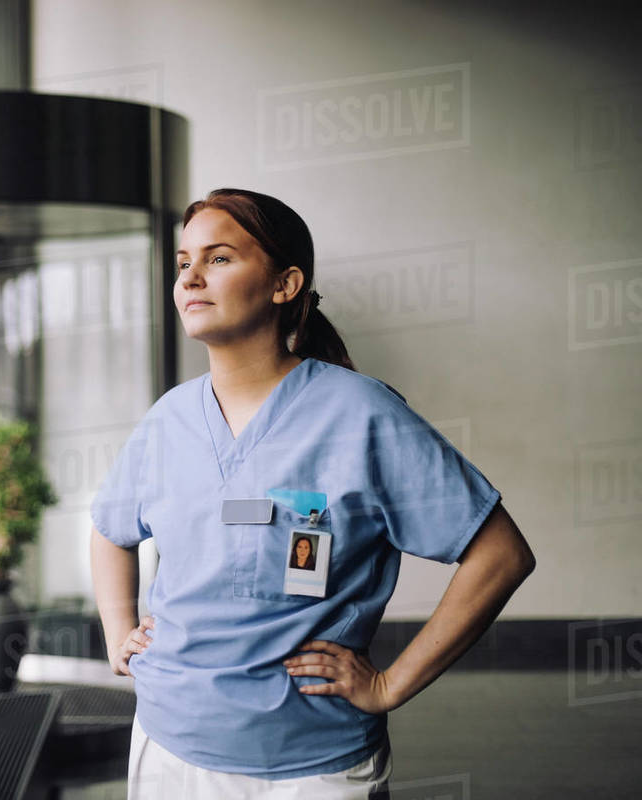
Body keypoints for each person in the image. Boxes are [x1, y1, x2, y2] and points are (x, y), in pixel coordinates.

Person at [88, 188, 536, 799]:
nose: (191, 276)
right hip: (169, 746)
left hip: (312, 765)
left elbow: (501, 555)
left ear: (285, 283)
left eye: (218, 258)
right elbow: (110, 529)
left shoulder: (360, 413)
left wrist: (390, 685)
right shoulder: (168, 421)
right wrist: (119, 633)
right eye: (183, 262)